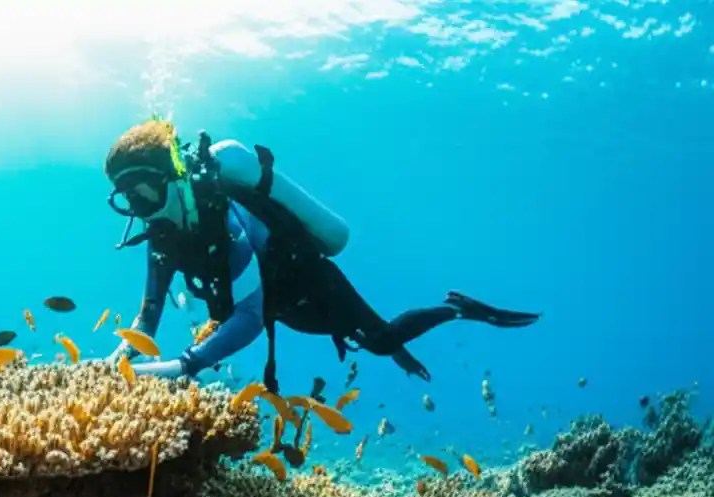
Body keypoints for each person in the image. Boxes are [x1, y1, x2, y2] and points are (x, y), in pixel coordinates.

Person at [103, 119, 540, 392]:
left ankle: (456, 308)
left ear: (177, 179)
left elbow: (250, 317)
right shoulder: (163, 234)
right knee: (378, 342)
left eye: (147, 192)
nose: (143, 210)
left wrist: (183, 366)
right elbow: (147, 319)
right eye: (130, 200)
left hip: (312, 285)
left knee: (382, 340)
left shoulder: (223, 215)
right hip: (280, 305)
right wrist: (109, 366)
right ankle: (407, 337)